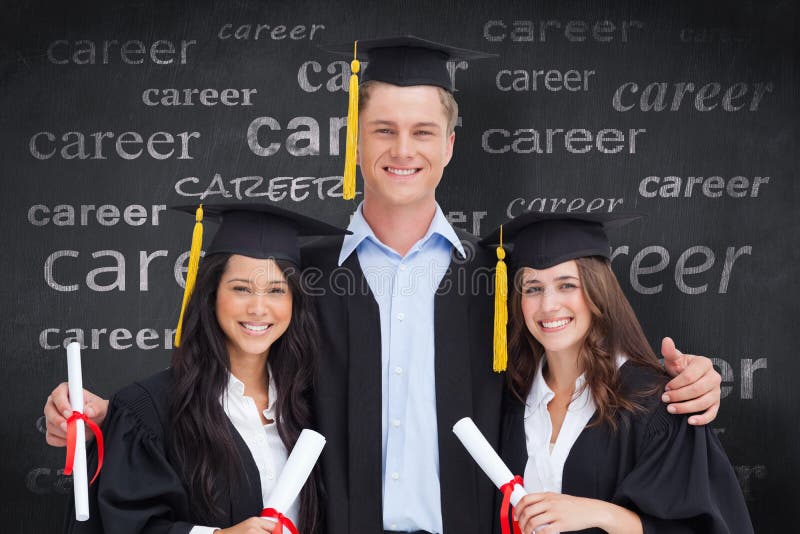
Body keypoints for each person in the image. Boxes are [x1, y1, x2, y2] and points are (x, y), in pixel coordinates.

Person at [47, 36, 724, 534]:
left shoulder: (499, 285)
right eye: (385, 130)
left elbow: (575, 374)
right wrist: (105, 418)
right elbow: (230, 383)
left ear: (451, 144)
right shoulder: (297, 278)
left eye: (424, 131)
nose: (404, 150)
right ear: (356, 139)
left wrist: (687, 385)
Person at [64, 204, 348, 534]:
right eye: (241, 288)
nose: (258, 308)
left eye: (276, 290)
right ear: (211, 295)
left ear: (294, 302)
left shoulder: (311, 406)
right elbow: (120, 526)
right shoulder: (150, 412)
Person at [480, 213, 752, 534]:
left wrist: (601, 514)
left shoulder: (655, 404)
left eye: (567, 285)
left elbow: (705, 528)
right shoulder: (508, 400)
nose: (548, 305)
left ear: (599, 291)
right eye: (533, 288)